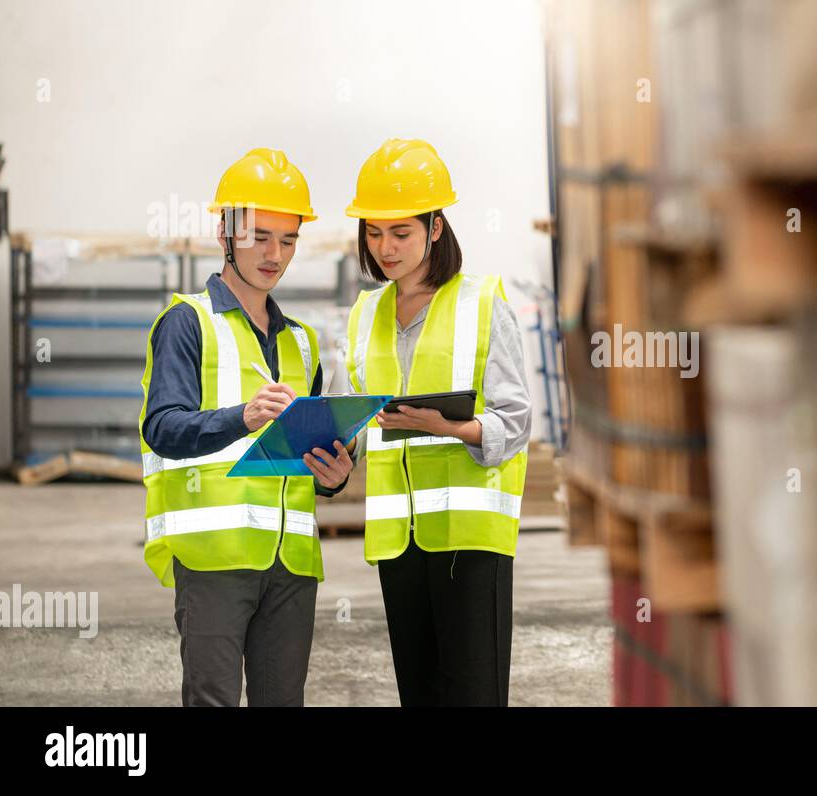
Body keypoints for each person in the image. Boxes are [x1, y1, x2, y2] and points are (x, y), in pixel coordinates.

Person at [138, 148, 354, 706]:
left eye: (287, 239)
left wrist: (334, 473)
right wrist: (243, 416)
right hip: (214, 557)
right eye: (259, 235)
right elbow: (162, 427)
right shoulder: (188, 323)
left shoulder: (302, 342)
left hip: (292, 561)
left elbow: (310, 457)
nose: (273, 253)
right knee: (212, 700)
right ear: (225, 232)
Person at [343, 138, 531, 706]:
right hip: (399, 541)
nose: (386, 248)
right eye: (374, 233)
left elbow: (516, 420)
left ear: (435, 228)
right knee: (420, 697)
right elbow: (351, 412)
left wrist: (454, 429)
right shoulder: (364, 313)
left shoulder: (483, 302)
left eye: (400, 233)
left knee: (473, 695)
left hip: (469, 540)